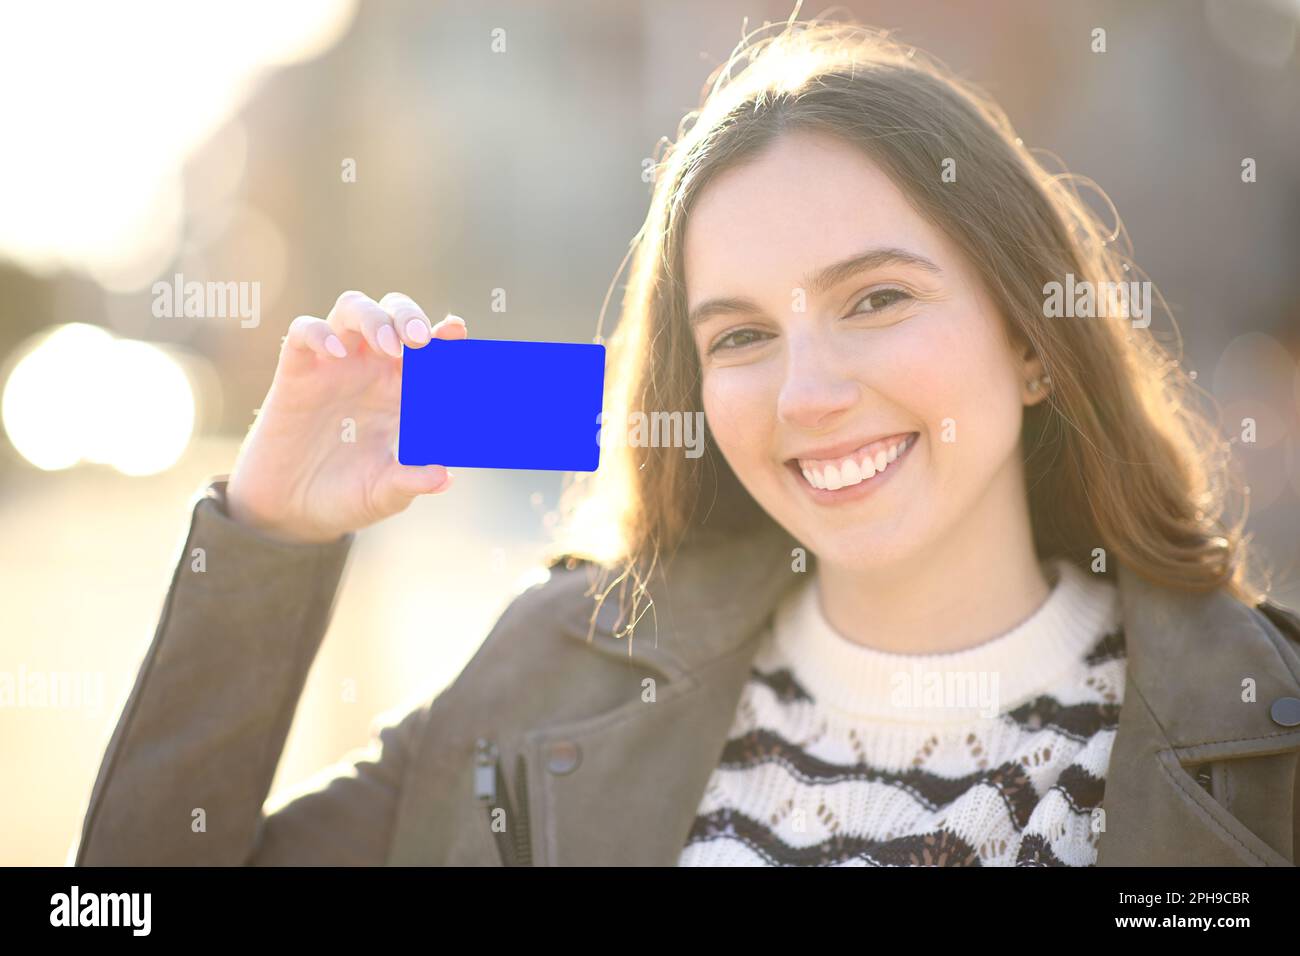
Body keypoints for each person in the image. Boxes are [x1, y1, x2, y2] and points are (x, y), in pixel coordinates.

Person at [74, 18, 1300, 867]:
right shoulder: (546, 673)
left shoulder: (1262, 735)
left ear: (1033, 338)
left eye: (877, 298)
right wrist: (267, 535)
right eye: (741, 335)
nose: (808, 394)